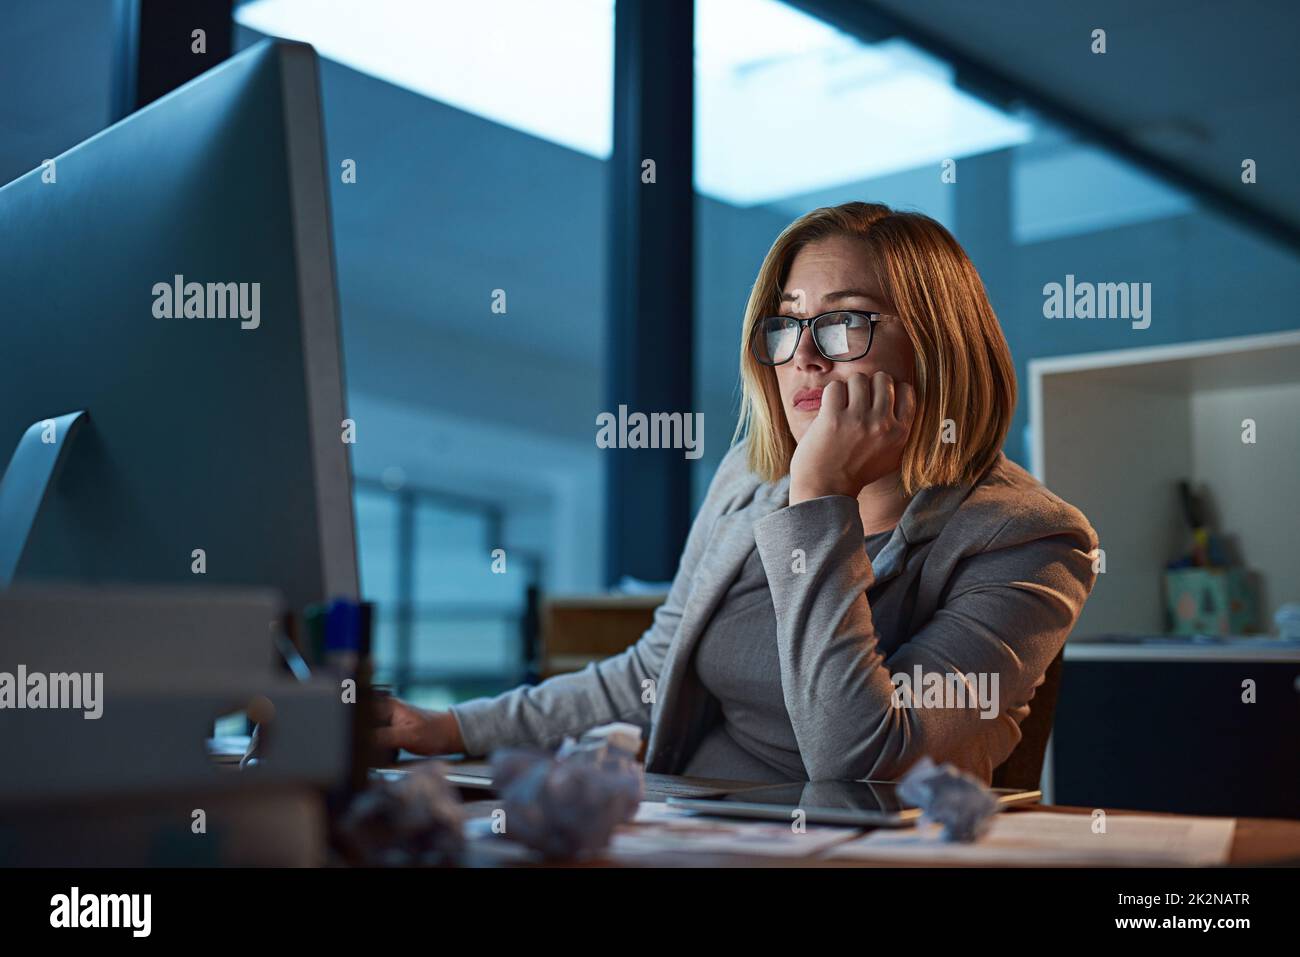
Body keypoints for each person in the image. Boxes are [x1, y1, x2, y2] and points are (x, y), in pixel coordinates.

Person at [376, 201, 1099, 784]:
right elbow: (652, 672)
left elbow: (868, 760)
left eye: (844, 320)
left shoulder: (1028, 538)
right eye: (787, 324)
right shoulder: (748, 482)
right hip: (677, 826)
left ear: (940, 344)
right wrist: (445, 729)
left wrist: (821, 501)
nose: (805, 356)